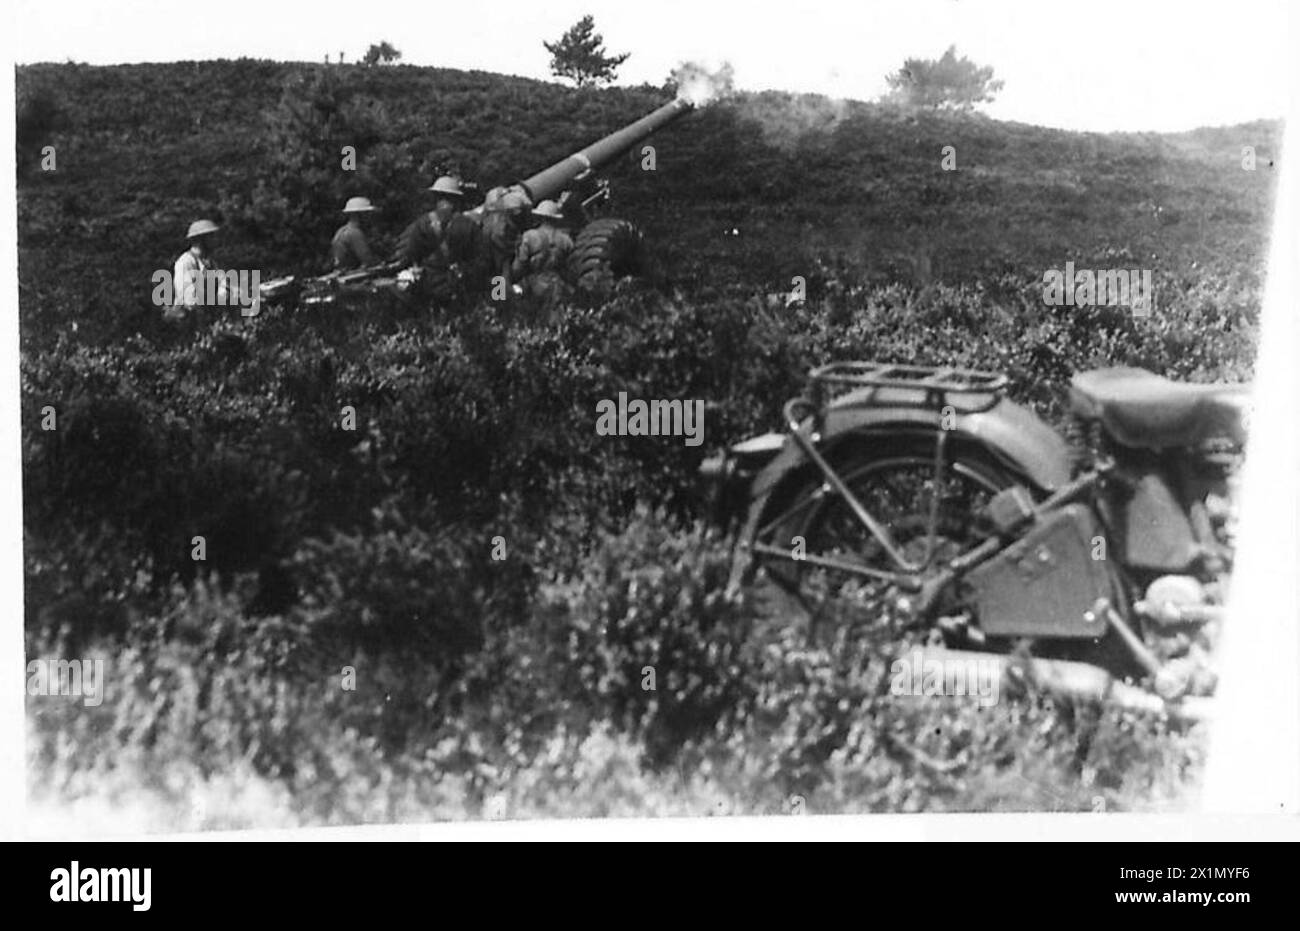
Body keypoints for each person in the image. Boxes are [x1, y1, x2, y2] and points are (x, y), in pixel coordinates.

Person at [393, 176, 465, 269]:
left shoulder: (422, 223)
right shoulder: (468, 223)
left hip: (431, 277)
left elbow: (406, 253)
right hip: (460, 278)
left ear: (435, 196)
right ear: (457, 199)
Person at [511, 199, 574, 304]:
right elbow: (572, 266)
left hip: (535, 287)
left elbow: (518, 267)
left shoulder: (529, 236)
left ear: (540, 217)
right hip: (558, 287)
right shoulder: (565, 239)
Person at [168, 219, 223, 319]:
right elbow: (189, 300)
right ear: (200, 239)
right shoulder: (186, 262)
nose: (216, 240)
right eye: (211, 236)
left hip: (206, 318)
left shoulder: (210, 263)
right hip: (188, 320)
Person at [330, 197, 378, 271]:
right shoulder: (354, 233)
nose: (370, 217)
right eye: (367, 214)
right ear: (359, 215)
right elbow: (368, 260)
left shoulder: (342, 231)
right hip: (353, 275)